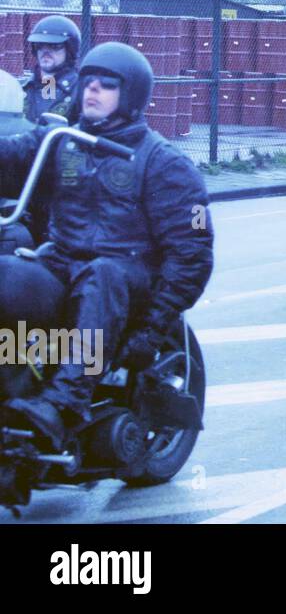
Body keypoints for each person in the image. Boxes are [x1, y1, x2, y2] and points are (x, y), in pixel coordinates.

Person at [0, 43, 214, 448]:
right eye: (88, 83)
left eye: (107, 86)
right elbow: (11, 157)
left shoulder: (165, 163)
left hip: (130, 276)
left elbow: (192, 253)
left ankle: (64, 403)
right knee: (9, 273)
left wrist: (152, 330)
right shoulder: (62, 140)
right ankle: (13, 387)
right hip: (62, 263)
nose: (92, 92)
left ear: (130, 95)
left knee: (103, 274)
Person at [21, 14, 80, 123]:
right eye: (40, 45)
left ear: (70, 50)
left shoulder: (80, 90)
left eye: (55, 46)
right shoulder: (23, 88)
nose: (46, 51)